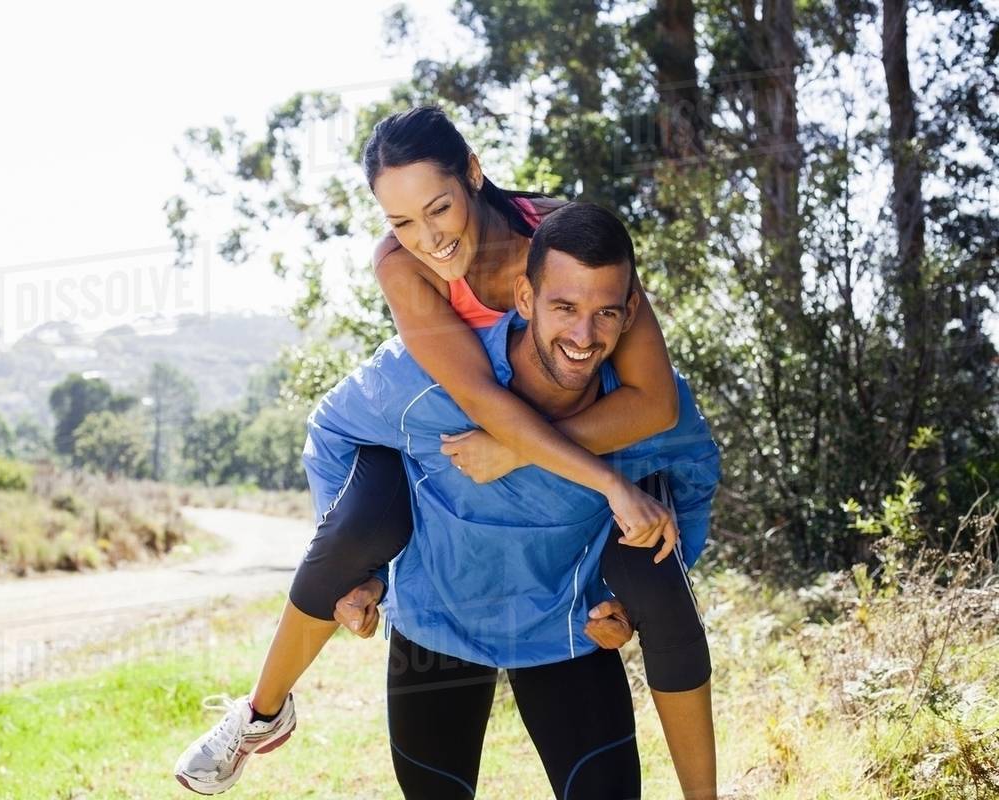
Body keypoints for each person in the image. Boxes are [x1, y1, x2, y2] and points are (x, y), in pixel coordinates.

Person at [174, 108, 717, 797]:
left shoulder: (564, 247)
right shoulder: (402, 264)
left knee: (652, 564)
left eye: (439, 209)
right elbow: (481, 399)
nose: (428, 238)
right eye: (401, 220)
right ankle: (260, 713)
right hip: (439, 417)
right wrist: (370, 571)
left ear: (474, 175)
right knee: (358, 530)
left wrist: (532, 460)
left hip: (552, 432)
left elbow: (653, 401)